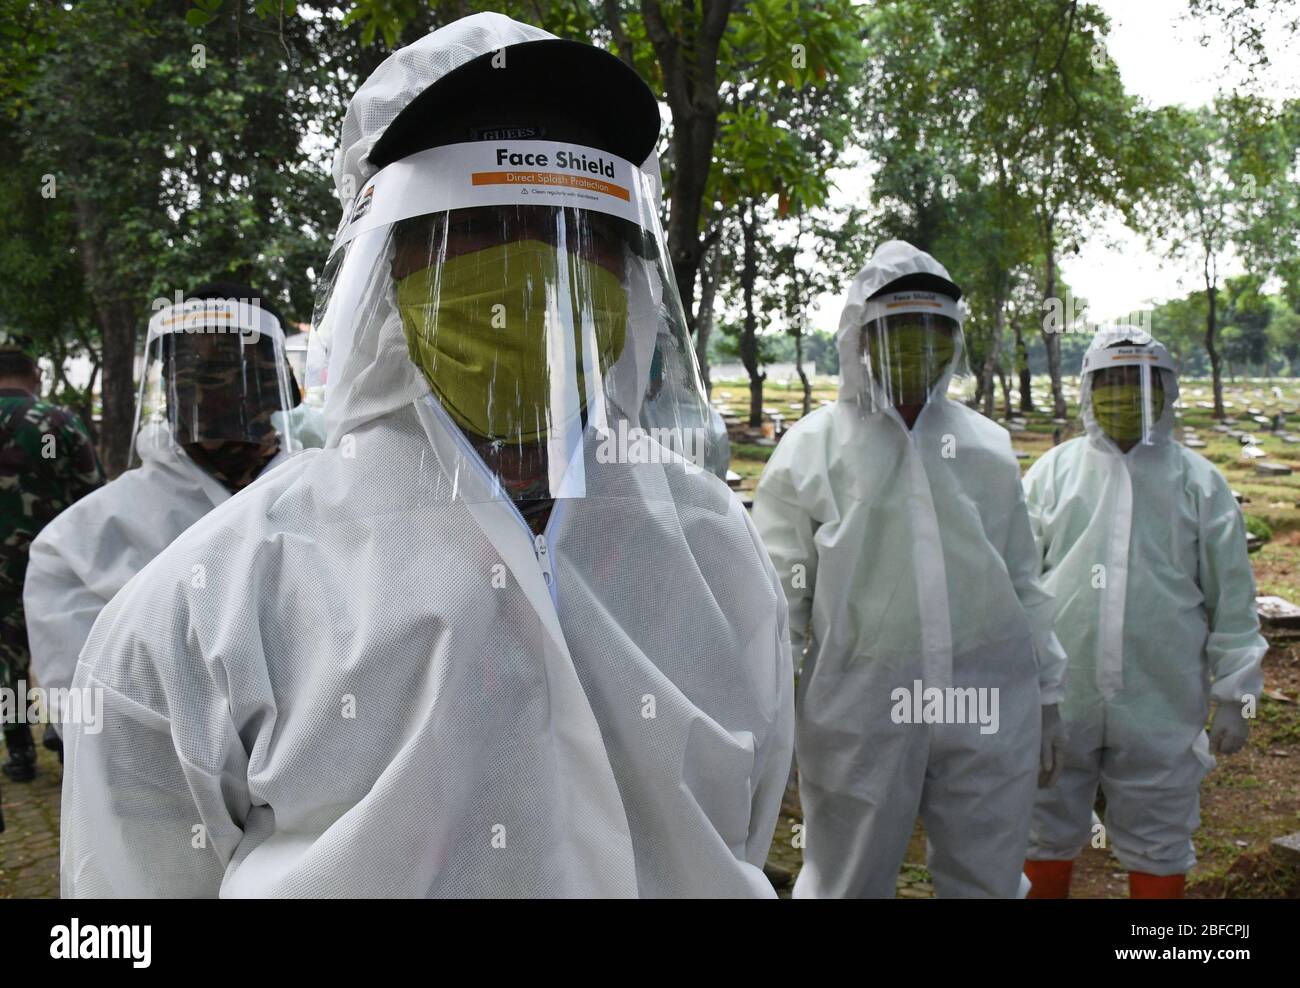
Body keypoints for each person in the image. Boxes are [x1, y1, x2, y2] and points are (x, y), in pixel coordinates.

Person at [60, 12, 793, 898]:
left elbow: (740, 828)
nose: (537, 266)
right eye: (480, 224)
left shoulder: (712, 542)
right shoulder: (214, 601)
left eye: (578, 230)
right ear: (388, 269)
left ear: (630, 271)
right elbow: (126, 891)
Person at [753, 240, 1068, 898]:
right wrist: (769, 714)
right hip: (858, 711)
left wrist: (1048, 694)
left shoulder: (986, 448)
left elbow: (1021, 581)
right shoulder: (813, 449)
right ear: (860, 337)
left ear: (952, 339)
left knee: (985, 879)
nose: (915, 346)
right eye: (897, 329)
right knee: (848, 880)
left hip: (989, 698)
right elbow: (778, 602)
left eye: (932, 330)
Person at [1022, 328, 1266, 899]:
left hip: (1161, 699)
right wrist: (1026, 688)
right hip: (1061, 698)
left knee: (1159, 834)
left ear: (1165, 391)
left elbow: (1232, 596)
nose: (1124, 395)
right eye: (1110, 383)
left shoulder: (1200, 483)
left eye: (1139, 382)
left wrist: (1236, 691)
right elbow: (1017, 589)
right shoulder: (1051, 476)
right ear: (1087, 391)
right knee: (1042, 828)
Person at [24, 283, 310, 753]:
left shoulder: (334, 504)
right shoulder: (82, 541)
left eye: (227, 366)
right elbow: (100, 732)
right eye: (187, 366)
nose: (202, 386)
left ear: (279, 385)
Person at [0, 334, 103, 782]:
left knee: (9, 658)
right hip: (54, 563)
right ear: (35, 375)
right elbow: (92, 492)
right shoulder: (53, 422)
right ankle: (65, 738)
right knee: (65, 647)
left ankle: (19, 749)